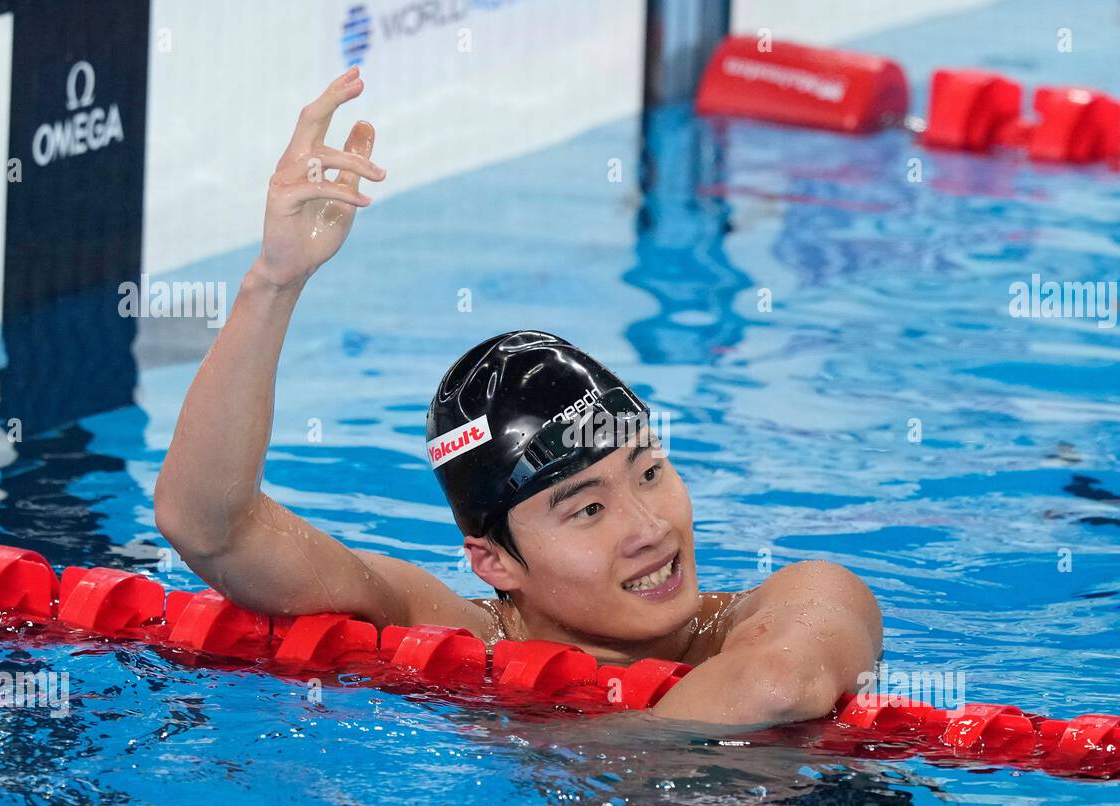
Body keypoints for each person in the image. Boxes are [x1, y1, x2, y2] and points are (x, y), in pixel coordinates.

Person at [155, 67, 882, 728]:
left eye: (651, 473)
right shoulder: (451, 634)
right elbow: (209, 528)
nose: (648, 528)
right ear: (494, 563)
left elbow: (779, 684)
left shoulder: (808, 596)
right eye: (588, 508)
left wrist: (581, 760)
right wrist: (273, 280)